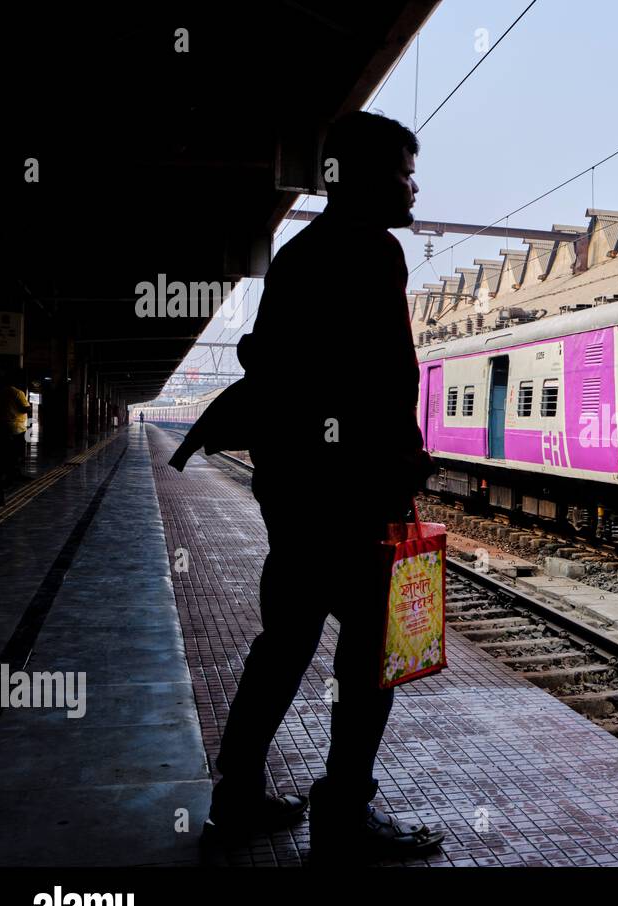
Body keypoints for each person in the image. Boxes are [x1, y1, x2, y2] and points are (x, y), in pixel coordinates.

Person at [202, 112, 442, 864]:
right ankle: (344, 815)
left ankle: (234, 796)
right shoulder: (371, 251)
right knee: (370, 663)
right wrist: (401, 471)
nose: (413, 184)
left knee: (283, 648)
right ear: (363, 176)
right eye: (403, 170)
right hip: (353, 499)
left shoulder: (302, 254)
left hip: (298, 494)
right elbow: (376, 385)